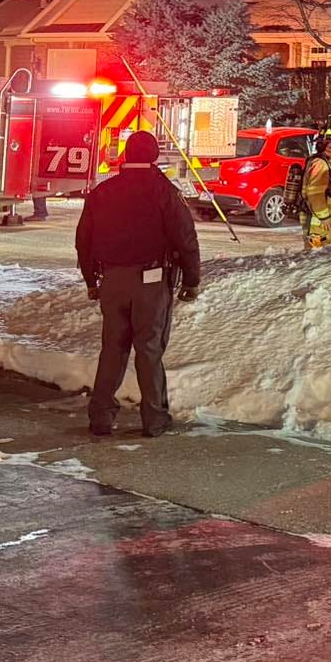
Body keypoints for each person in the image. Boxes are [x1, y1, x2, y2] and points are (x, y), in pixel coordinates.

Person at [74, 131, 201, 437]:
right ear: (155, 156)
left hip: (112, 281)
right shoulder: (164, 192)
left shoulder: (103, 192)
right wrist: (192, 280)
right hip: (151, 282)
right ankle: (154, 419)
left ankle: (101, 417)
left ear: (126, 156)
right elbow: (185, 238)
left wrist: (92, 280)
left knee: (112, 349)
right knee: (149, 349)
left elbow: (83, 241)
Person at [301, 133, 331, 249]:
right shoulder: (321, 164)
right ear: (328, 147)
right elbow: (314, 194)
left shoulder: (330, 163)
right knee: (316, 254)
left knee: (323, 250)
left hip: (323, 221)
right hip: (317, 221)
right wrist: (324, 217)